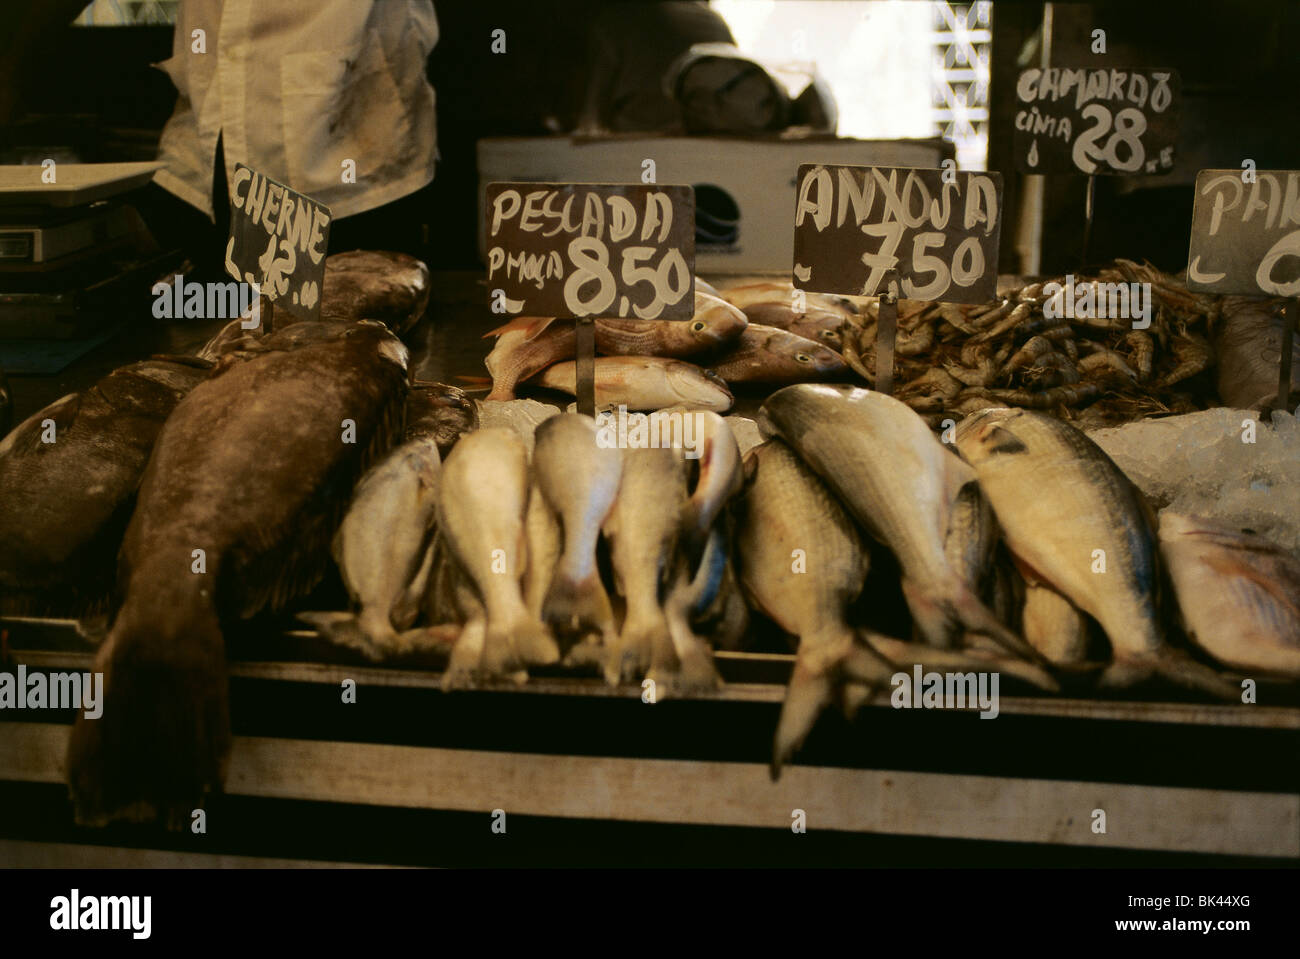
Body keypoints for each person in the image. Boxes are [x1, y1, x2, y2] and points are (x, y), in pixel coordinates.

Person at [1, 0, 440, 277]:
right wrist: (13, 69)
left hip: (357, 163)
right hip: (210, 153)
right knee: (223, 372)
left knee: (357, 365)